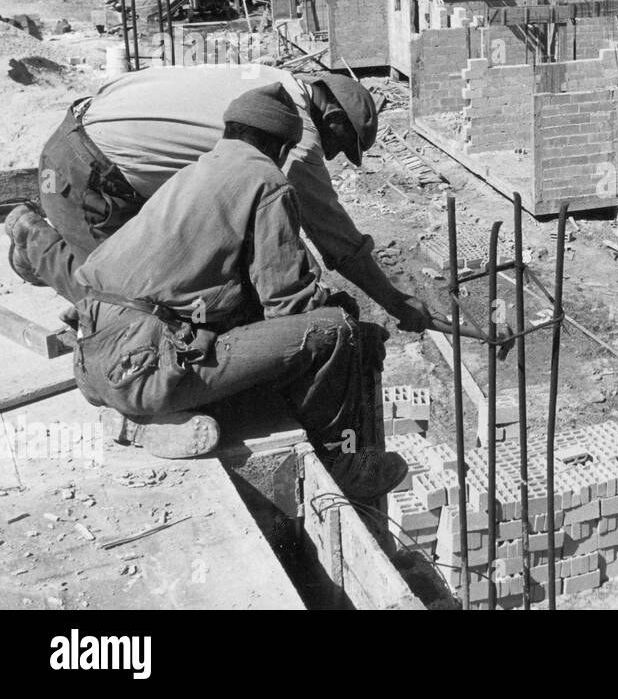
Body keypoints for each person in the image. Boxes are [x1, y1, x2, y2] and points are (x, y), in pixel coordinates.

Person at [36, 85, 406, 495]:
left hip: (95, 363)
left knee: (247, 336)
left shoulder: (194, 172)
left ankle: (146, 418)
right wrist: (333, 305)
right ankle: (347, 466)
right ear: (282, 147)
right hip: (146, 364)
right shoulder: (267, 182)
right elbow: (288, 306)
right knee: (335, 329)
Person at [7, 64, 438, 334]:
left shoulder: (274, 81)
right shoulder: (297, 133)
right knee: (115, 307)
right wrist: (396, 302)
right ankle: (33, 237)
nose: (332, 156)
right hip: (91, 169)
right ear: (331, 117)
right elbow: (336, 242)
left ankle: (44, 242)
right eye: (339, 145)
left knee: (175, 281)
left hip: (99, 144)